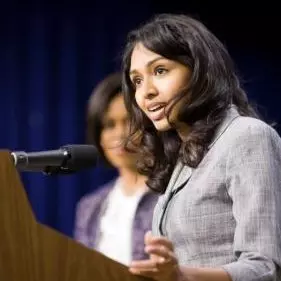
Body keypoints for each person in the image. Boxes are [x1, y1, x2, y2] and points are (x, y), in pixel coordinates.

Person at [121, 13, 281, 281]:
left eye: (160, 71)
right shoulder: (183, 157)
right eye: (137, 80)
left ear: (199, 71)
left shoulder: (248, 137)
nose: (145, 91)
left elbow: (266, 267)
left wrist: (183, 276)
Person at [74, 72, 159, 266]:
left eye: (130, 121)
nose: (120, 134)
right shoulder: (89, 207)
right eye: (109, 125)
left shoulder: (172, 195)